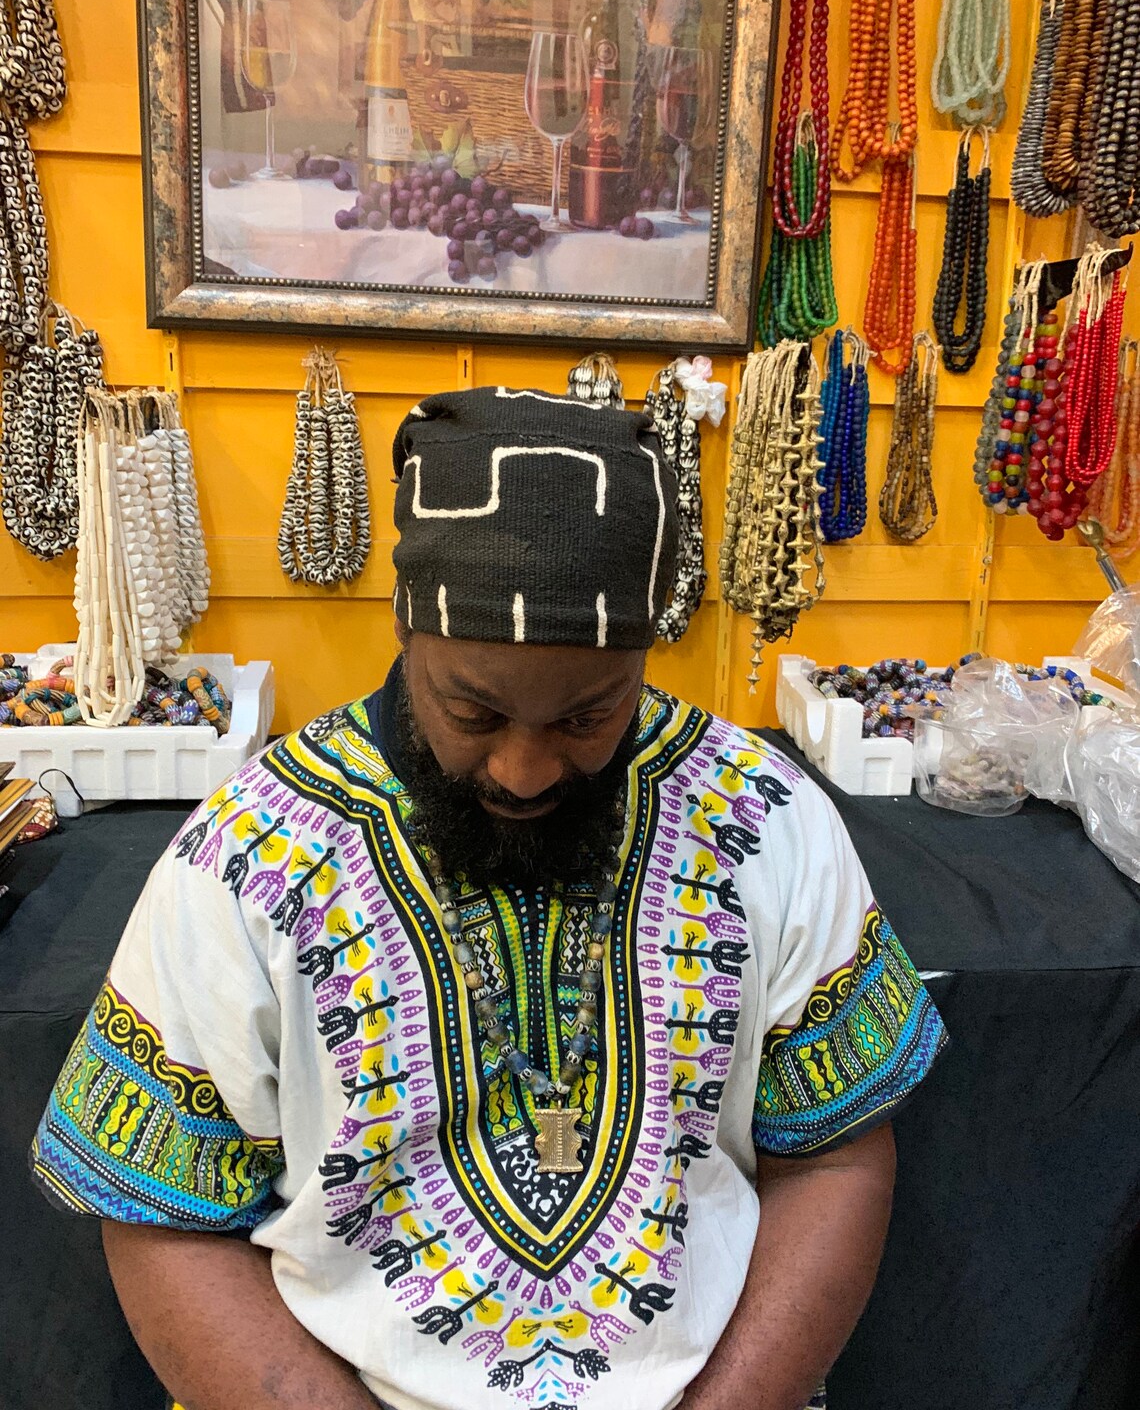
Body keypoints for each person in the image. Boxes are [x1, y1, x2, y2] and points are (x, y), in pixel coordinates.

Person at [31, 386, 946, 1410]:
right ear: (405, 628)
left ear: (647, 654)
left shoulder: (769, 815)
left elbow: (835, 1156)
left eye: (589, 714)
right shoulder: (245, 853)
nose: (521, 768)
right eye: (473, 708)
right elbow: (163, 1220)